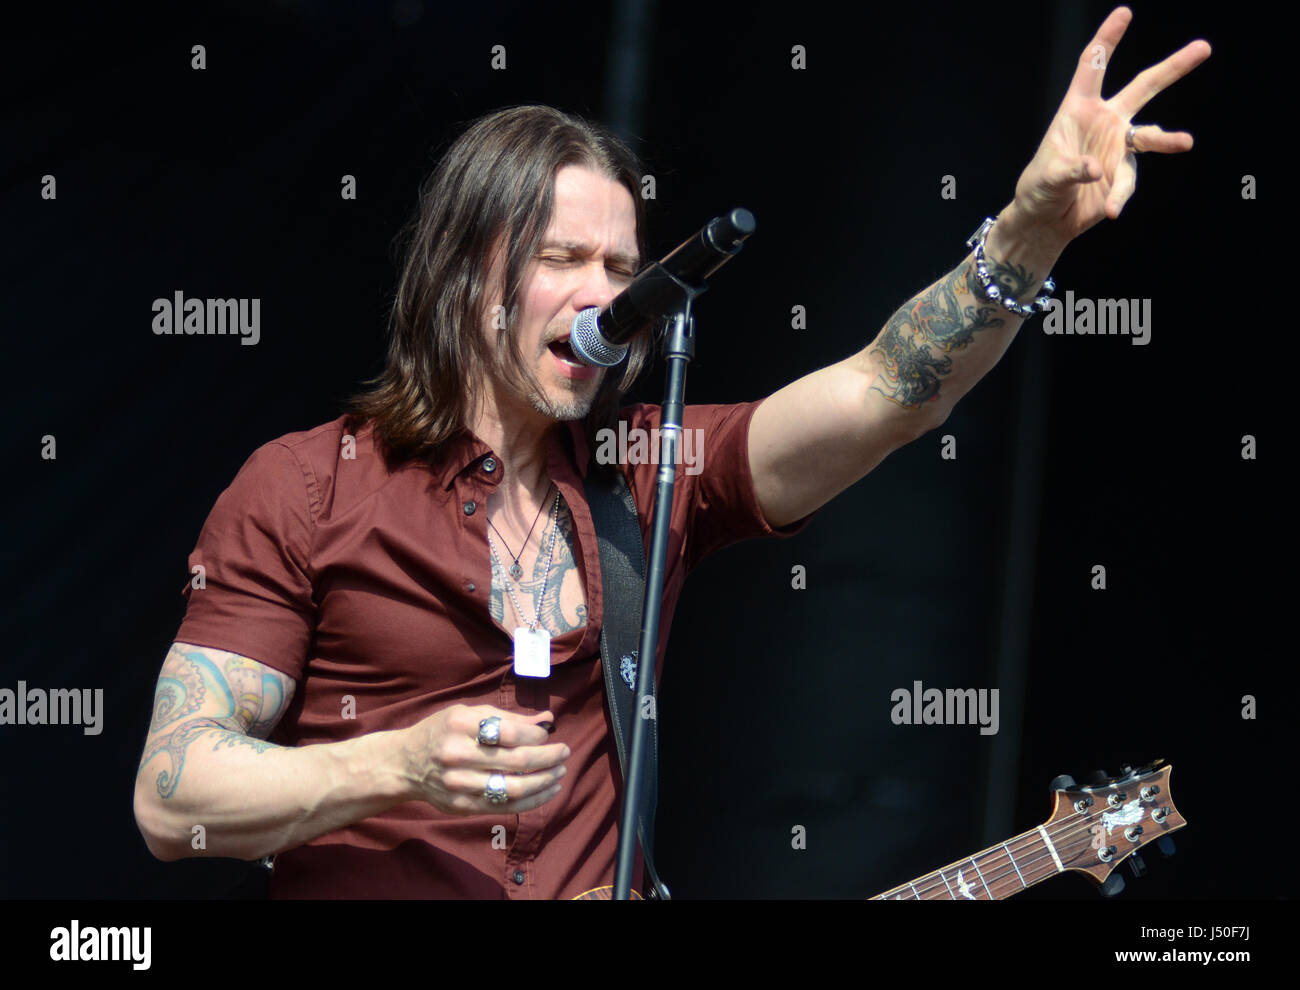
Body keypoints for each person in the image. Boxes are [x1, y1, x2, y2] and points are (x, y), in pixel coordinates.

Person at [133, 7, 1209, 898]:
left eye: (622, 264)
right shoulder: (306, 485)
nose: (607, 295)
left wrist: (1028, 229)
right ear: (462, 280)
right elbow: (173, 797)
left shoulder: (650, 471)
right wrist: (395, 763)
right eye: (562, 258)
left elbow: (888, 388)